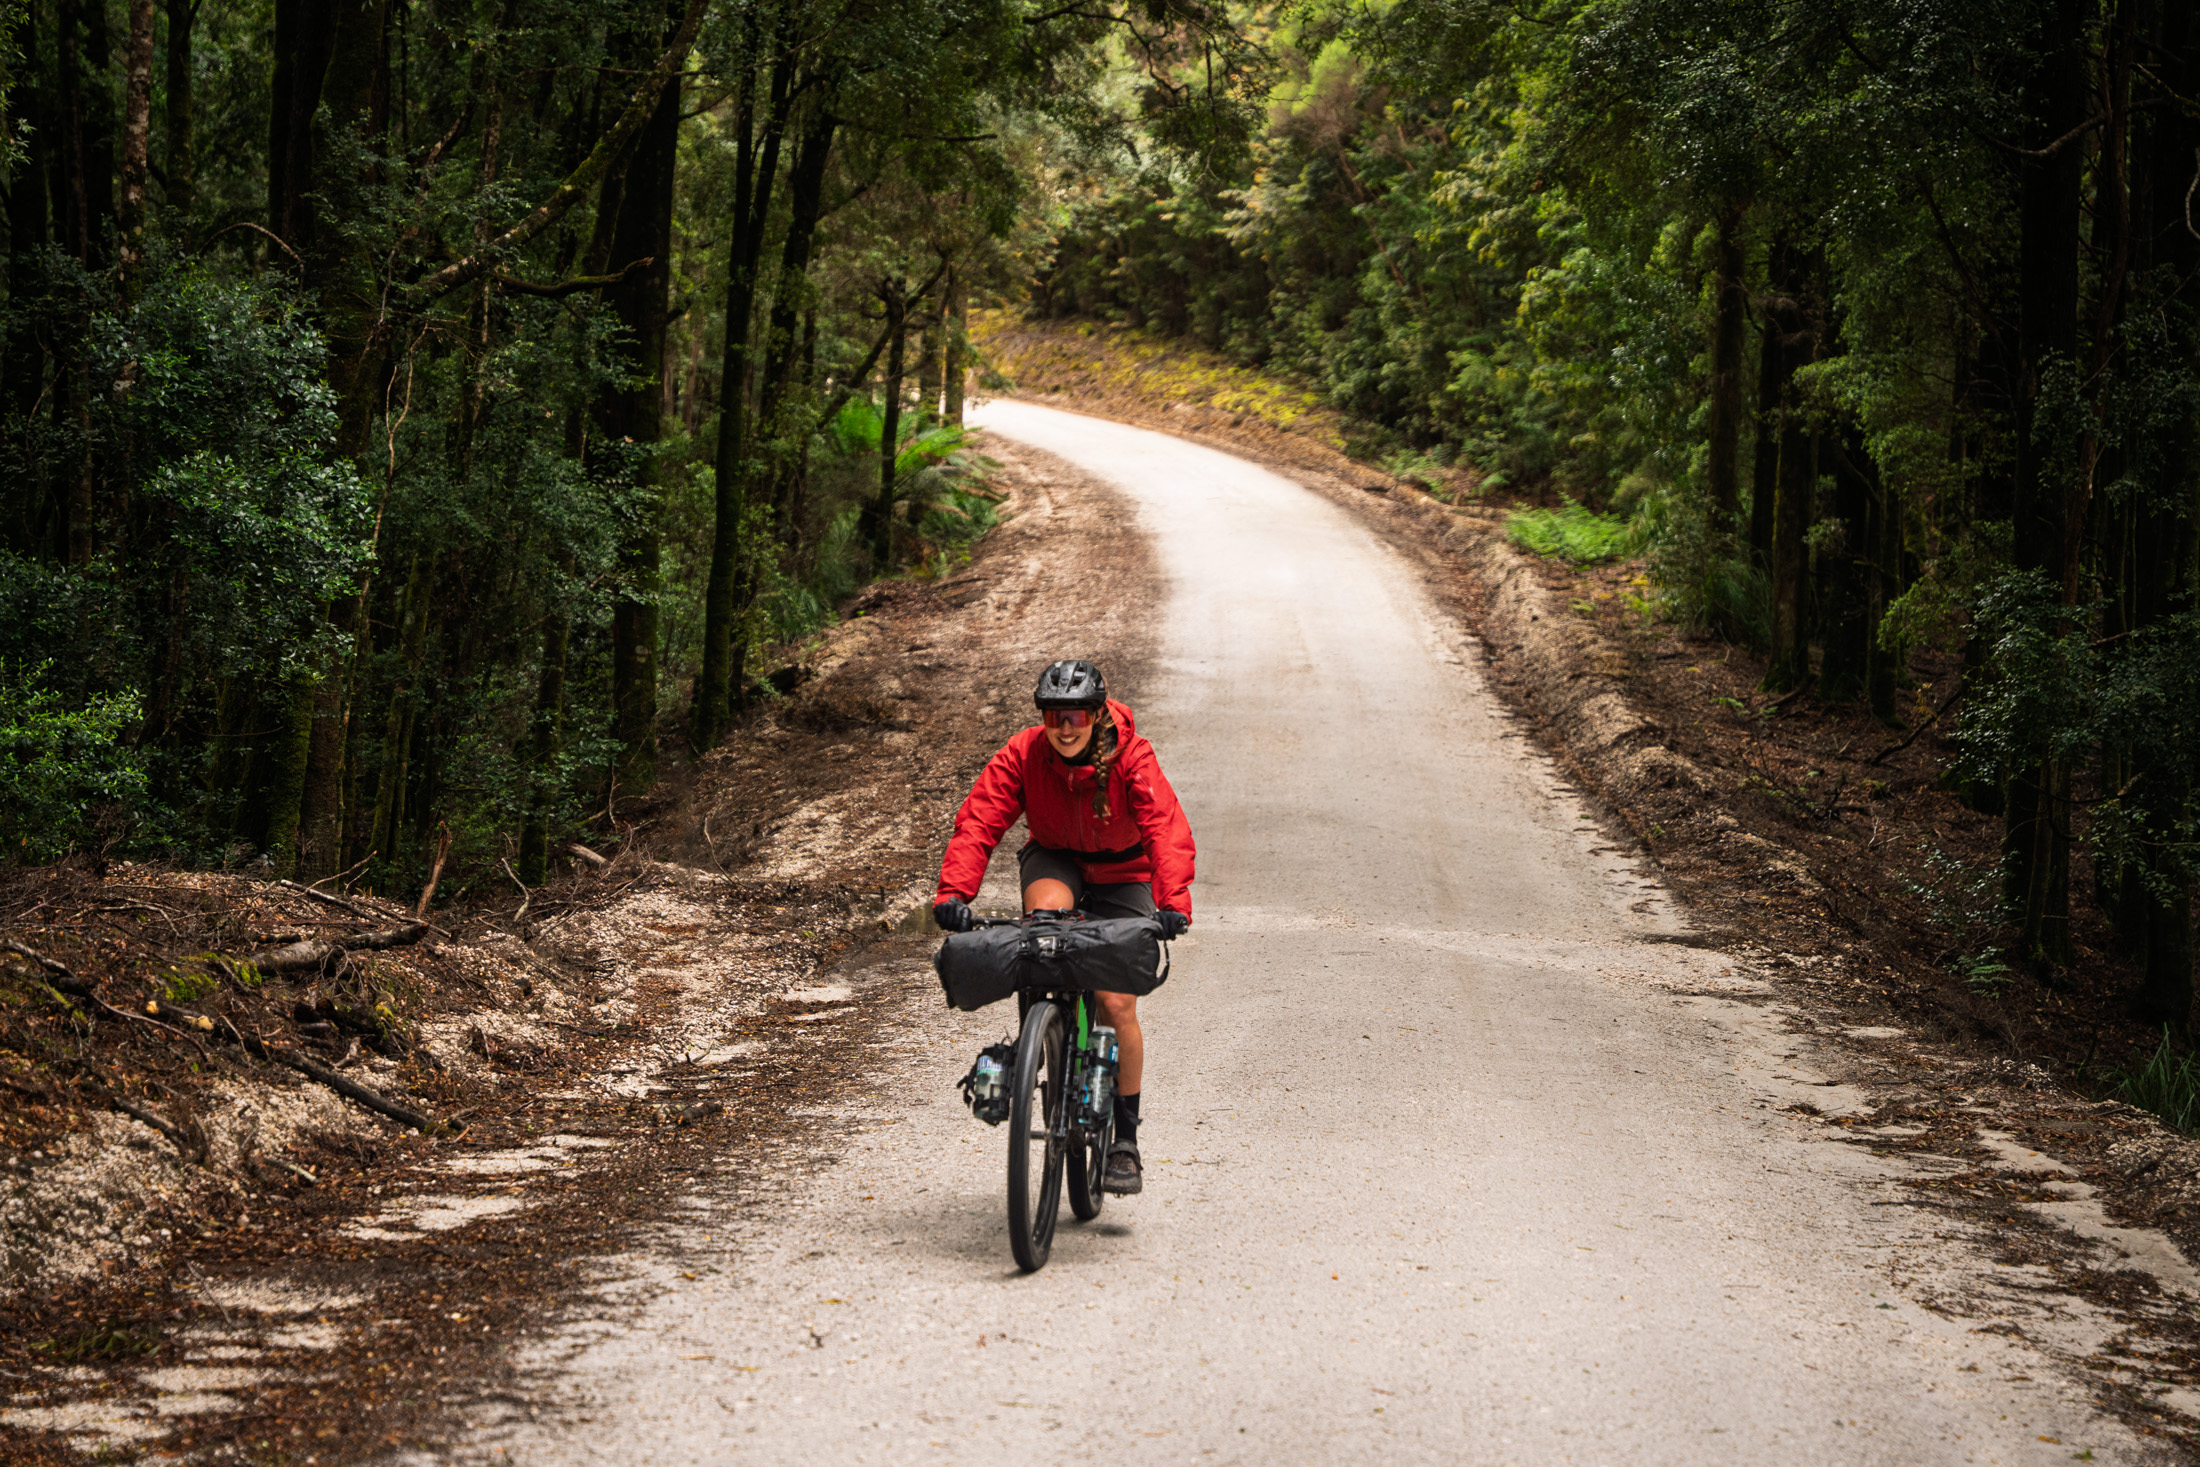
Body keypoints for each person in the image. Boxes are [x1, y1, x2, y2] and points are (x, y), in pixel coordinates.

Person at [933, 659, 1195, 1195]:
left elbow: (1164, 829)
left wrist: (1173, 904)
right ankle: (1040, 1039)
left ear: (1096, 714)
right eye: (1053, 714)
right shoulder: (1024, 753)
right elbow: (981, 819)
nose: (1064, 725)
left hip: (1125, 872)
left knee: (1116, 1003)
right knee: (1043, 935)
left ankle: (1124, 1140)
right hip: (1056, 860)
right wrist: (955, 893)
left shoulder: (1131, 756)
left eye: (1074, 713)